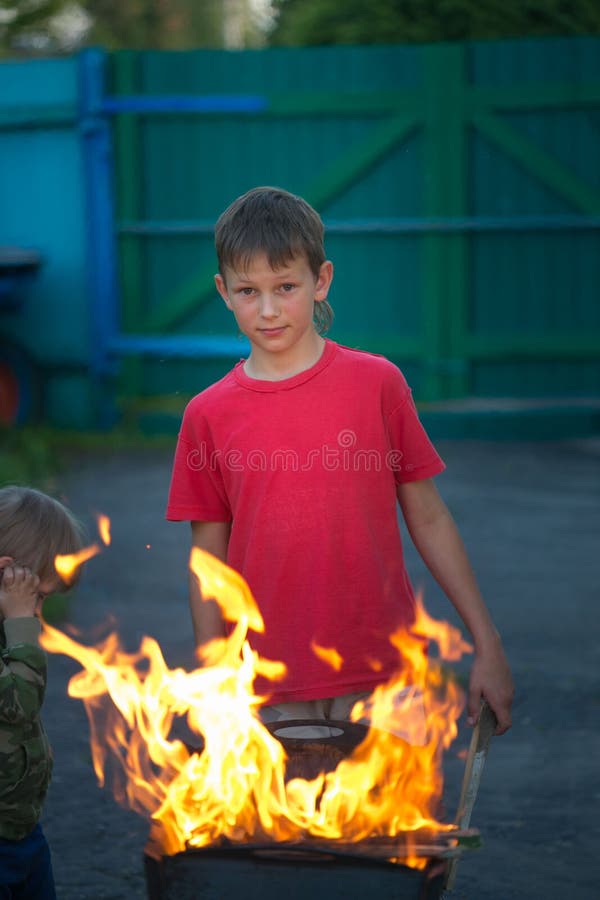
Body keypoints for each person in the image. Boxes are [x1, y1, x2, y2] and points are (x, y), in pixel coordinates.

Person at [166, 185, 514, 738]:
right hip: (267, 686)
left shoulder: (377, 384)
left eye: (286, 286)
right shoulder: (207, 414)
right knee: (281, 829)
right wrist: (213, 680)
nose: (269, 309)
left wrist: (487, 643)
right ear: (223, 292)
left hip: (385, 676)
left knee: (400, 829)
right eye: (248, 291)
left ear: (321, 279)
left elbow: (428, 517)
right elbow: (207, 558)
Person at [0, 486, 85, 899]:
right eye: (40, 598)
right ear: (8, 573)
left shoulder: (11, 632)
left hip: (20, 828)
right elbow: (18, 705)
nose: (38, 613)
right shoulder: (16, 630)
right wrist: (20, 622)